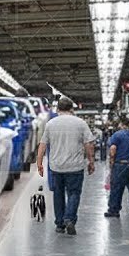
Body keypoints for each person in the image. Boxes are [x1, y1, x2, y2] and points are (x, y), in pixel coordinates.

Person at [36, 96, 95, 235]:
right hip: (75, 167)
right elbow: (89, 144)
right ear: (72, 109)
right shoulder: (81, 123)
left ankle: (60, 224)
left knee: (58, 194)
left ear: (57, 109)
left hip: (56, 167)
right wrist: (91, 161)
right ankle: (69, 218)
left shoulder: (51, 124)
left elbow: (43, 144)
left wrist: (39, 163)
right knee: (74, 193)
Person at [105, 116, 129, 219]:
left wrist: (111, 164)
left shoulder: (117, 135)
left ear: (121, 124)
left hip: (121, 165)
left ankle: (113, 210)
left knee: (116, 188)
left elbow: (113, 149)